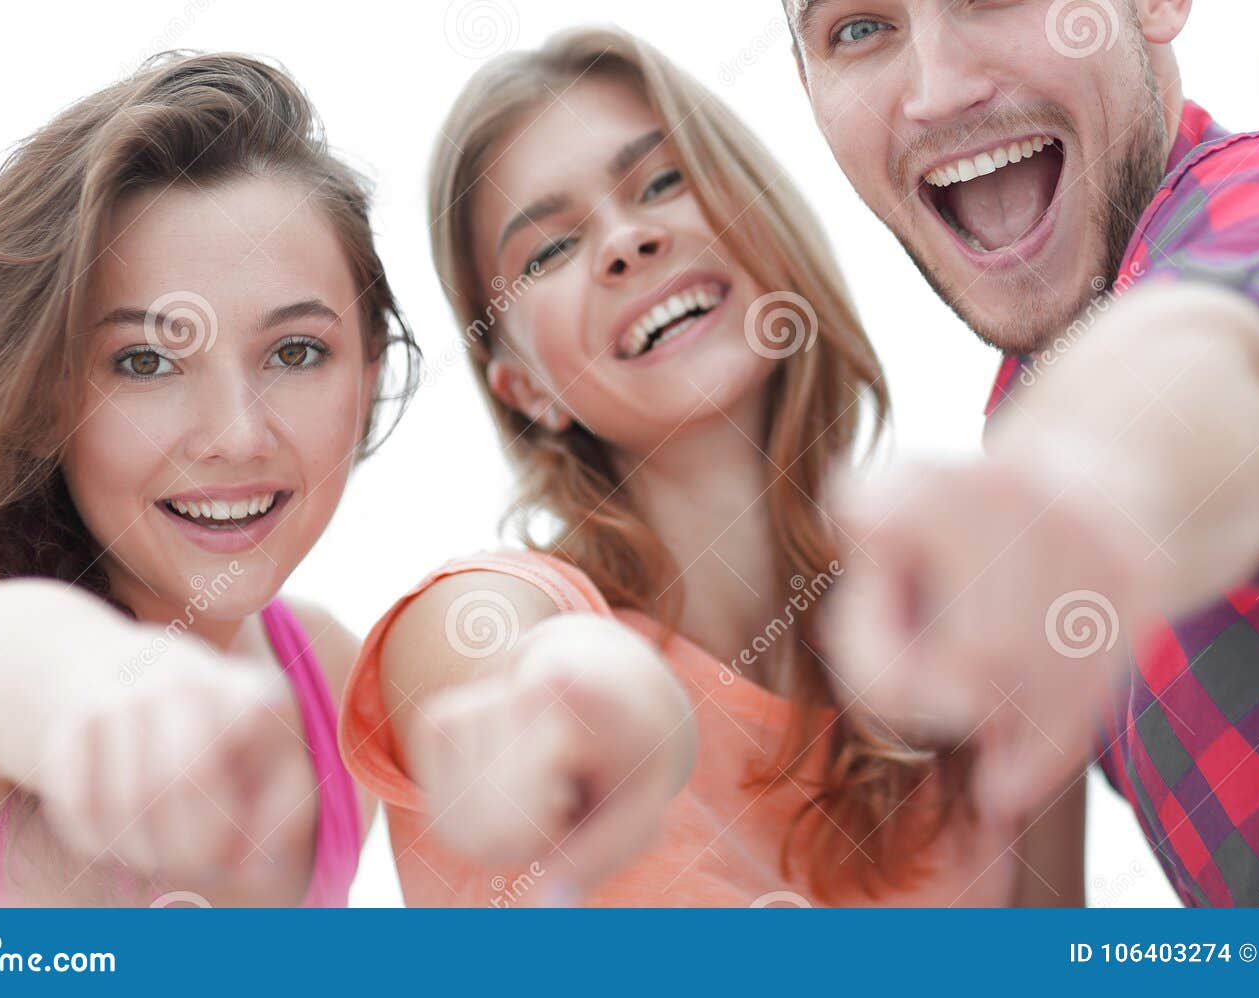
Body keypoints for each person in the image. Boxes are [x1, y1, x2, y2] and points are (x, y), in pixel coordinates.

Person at [338, 26, 1084, 907]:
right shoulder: (474, 617)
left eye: (662, 182)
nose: (625, 242)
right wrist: (583, 690)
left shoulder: (971, 638)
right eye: (548, 250)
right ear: (524, 388)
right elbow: (517, 662)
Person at [788, 0, 1259, 905]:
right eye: (858, 29)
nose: (937, 92)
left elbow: (1232, 353)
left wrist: (1084, 492)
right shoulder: (1017, 433)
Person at [0, 53, 417, 906]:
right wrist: (91, 682)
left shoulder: (329, 680)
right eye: (146, 361)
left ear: (367, 371)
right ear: (38, 396)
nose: (236, 435)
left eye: (296, 352)